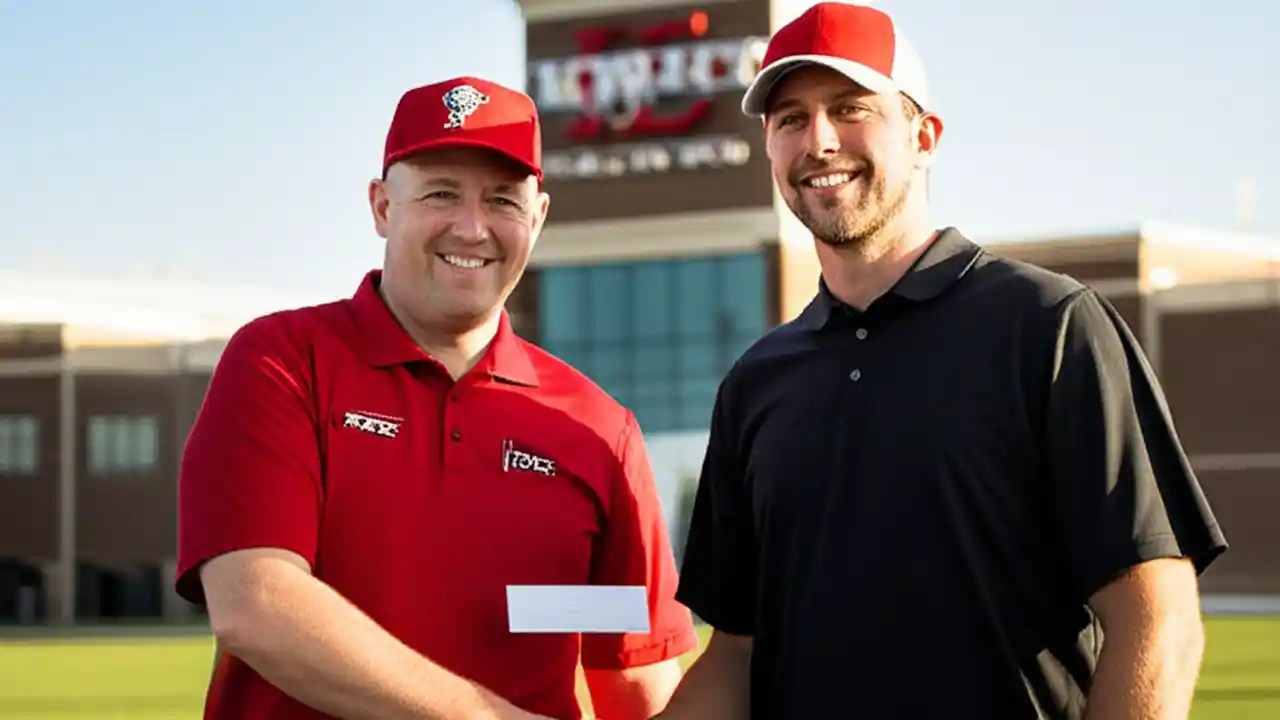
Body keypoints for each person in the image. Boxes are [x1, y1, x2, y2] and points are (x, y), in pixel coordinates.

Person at [659, 4, 1228, 719]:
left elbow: (1158, 624)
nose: (820, 140)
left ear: (924, 136)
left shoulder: (1048, 326)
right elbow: (734, 658)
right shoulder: (755, 383)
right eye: (790, 119)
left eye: (850, 108)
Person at [175, 75, 697, 720]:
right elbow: (255, 604)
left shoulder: (597, 428)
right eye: (440, 193)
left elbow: (632, 667)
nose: (472, 228)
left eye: (503, 200)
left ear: (537, 219)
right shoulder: (283, 360)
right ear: (382, 207)